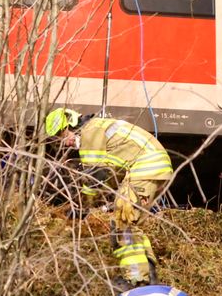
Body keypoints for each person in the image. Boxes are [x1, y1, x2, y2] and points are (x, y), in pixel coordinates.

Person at [46, 108, 174, 285]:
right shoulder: (97, 128)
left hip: (145, 168)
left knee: (123, 224)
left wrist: (81, 208)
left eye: (62, 135)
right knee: (132, 224)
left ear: (71, 124)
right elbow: (110, 173)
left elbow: (94, 176)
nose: (63, 143)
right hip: (153, 167)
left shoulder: (89, 134)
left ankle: (136, 279)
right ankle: (149, 277)